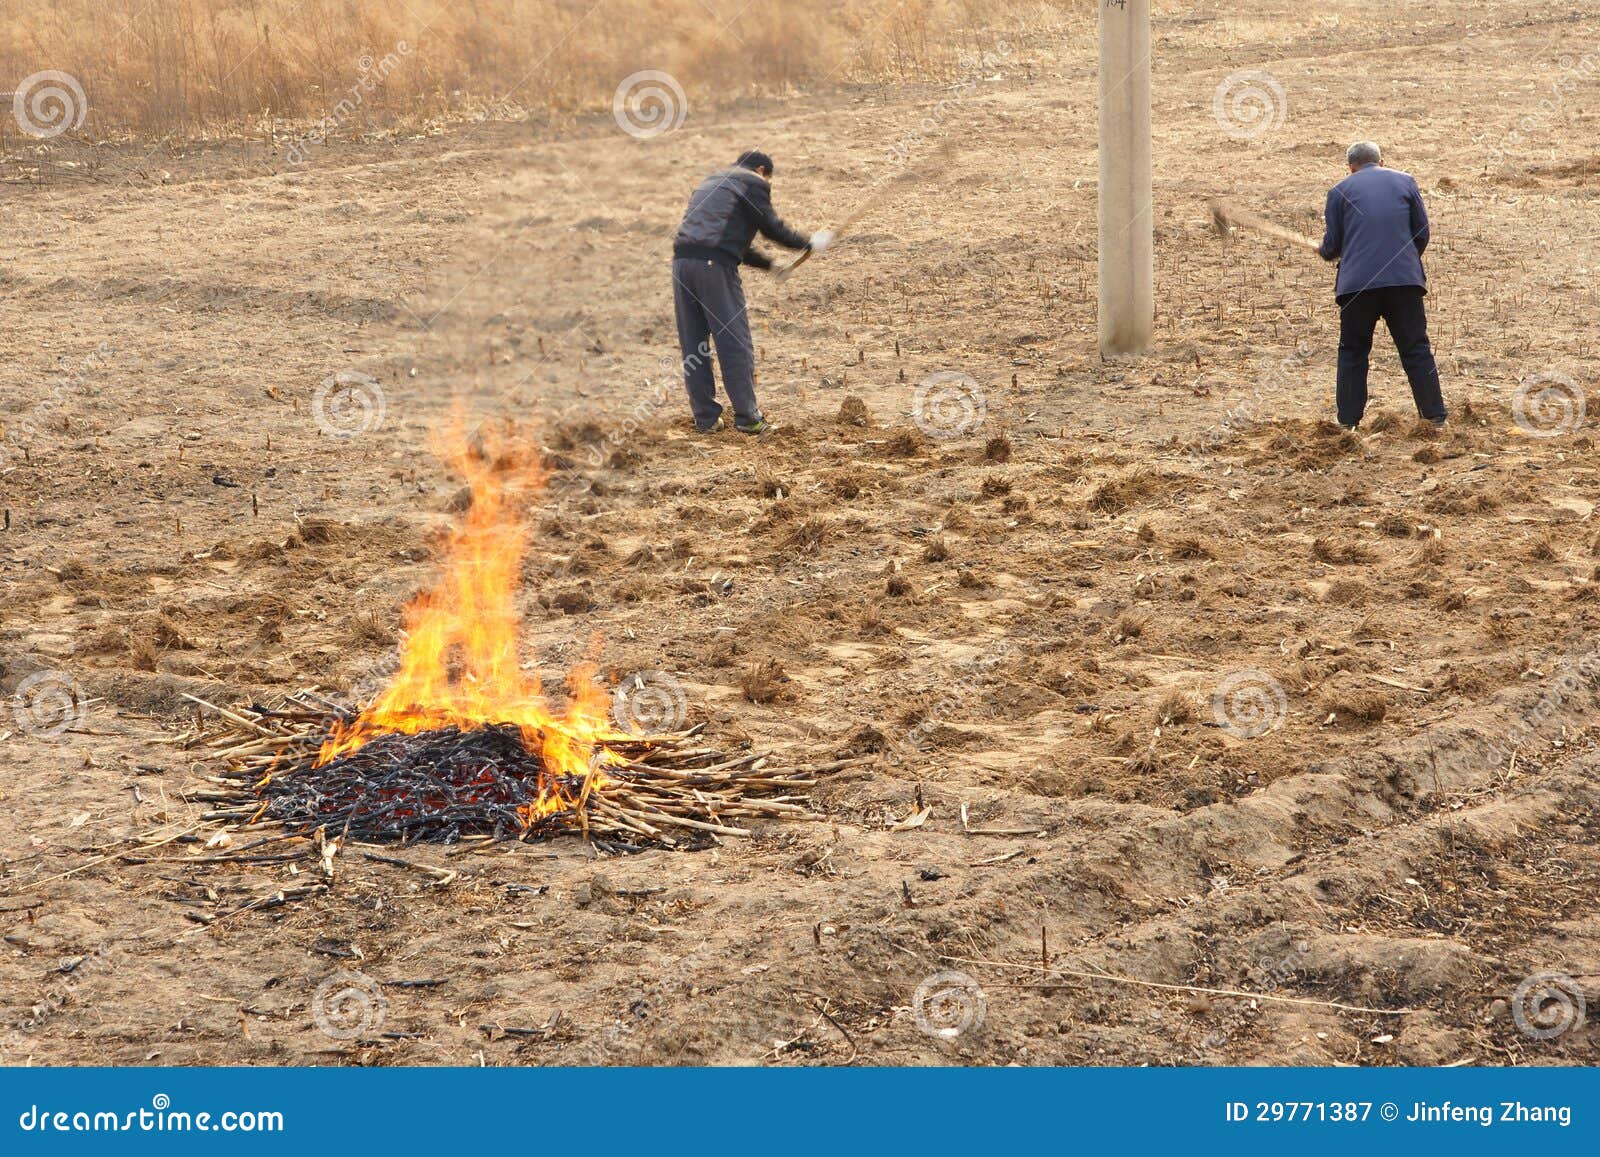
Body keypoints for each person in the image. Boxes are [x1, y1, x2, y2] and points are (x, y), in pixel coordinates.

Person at [671, 150, 832, 434]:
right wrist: (808, 242)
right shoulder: (752, 182)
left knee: (694, 343)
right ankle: (748, 418)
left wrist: (771, 265)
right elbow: (770, 226)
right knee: (734, 341)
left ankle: (706, 419)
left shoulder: (712, 183)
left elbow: (731, 239)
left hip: (683, 264)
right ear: (761, 170)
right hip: (714, 267)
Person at [1318, 141, 1447, 430]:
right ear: (1381, 160)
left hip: (1356, 287)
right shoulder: (1406, 181)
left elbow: (1332, 246)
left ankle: (1347, 423)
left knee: (1353, 351)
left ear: (1351, 167)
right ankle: (1435, 418)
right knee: (1416, 348)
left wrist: (1325, 250)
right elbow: (1422, 231)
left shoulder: (1339, 192)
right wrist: (1407, 261)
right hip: (1404, 281)